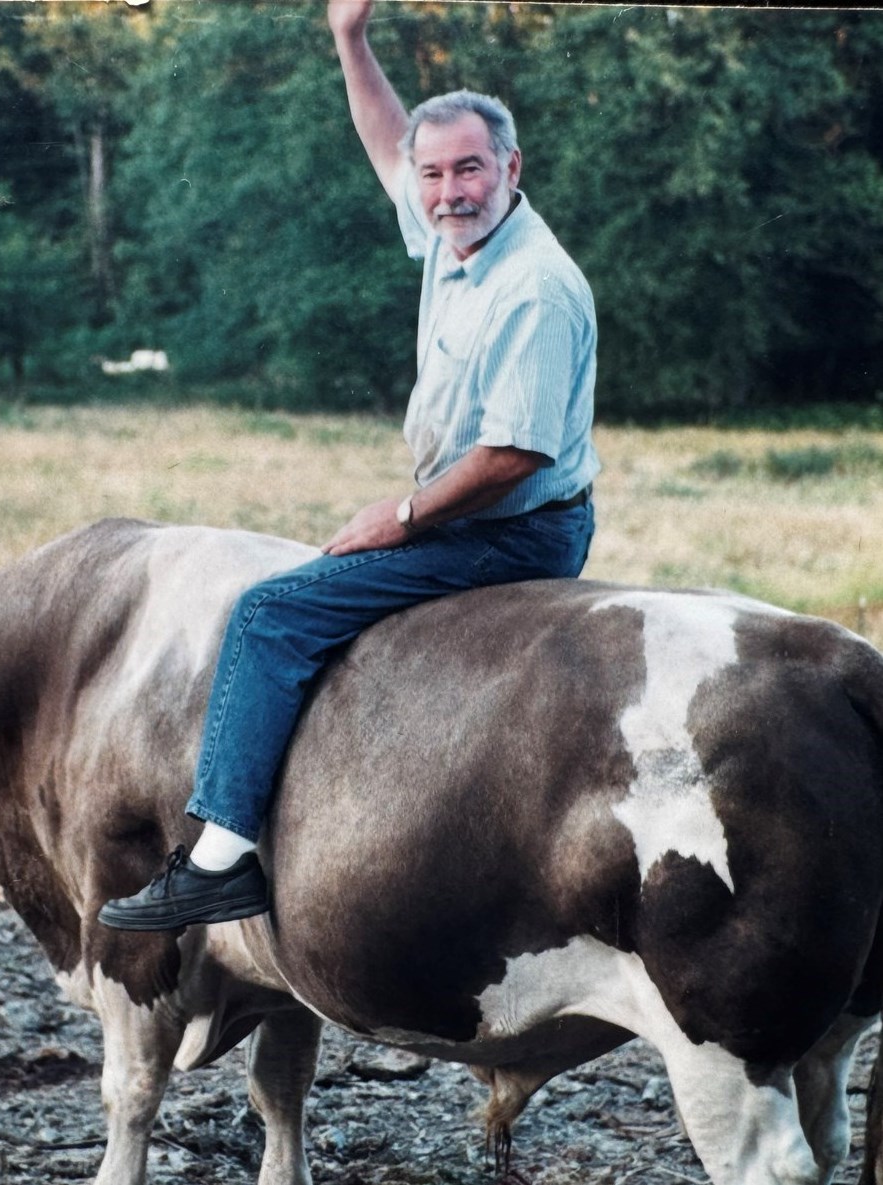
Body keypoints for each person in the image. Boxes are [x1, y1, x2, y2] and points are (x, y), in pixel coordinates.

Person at [98, 0, 600, 931]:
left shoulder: (532, 285)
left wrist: (399, 517)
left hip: (510, 528)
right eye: (435, 173)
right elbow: (387, 144)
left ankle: (219, 858)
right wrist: (349, 38)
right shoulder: (456, 238)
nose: (447, 189)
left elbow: (512, 454)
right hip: (475, 513)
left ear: (511, 169)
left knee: (271, 612)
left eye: (469, 169)